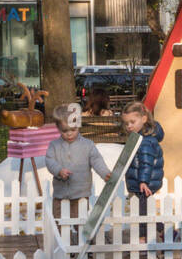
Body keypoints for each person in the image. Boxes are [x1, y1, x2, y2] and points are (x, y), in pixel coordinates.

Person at [45, 104, 113, 239]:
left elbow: (96, 160)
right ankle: (62, 241)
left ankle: (85, 241)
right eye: (65, 131)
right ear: (58, 128)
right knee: (59, 220)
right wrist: (59, 171)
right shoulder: (54, 145)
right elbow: (49, 161)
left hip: (81, 192)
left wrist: (105, 173)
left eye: (73, 129)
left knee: (80, 220)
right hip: (60, 193)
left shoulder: (87, 145)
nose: (69, 134)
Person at [121, 101, 164, 242]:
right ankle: (164, 231)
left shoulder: (146, 141)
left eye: (132, 122)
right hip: (141, 181)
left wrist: (143, 181)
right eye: (126, 123)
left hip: (145, 183)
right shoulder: (138, 138)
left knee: (142, 213)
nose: (129, 126)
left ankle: (143, 238)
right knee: (145, 211)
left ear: (144, 119)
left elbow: (146, 163)